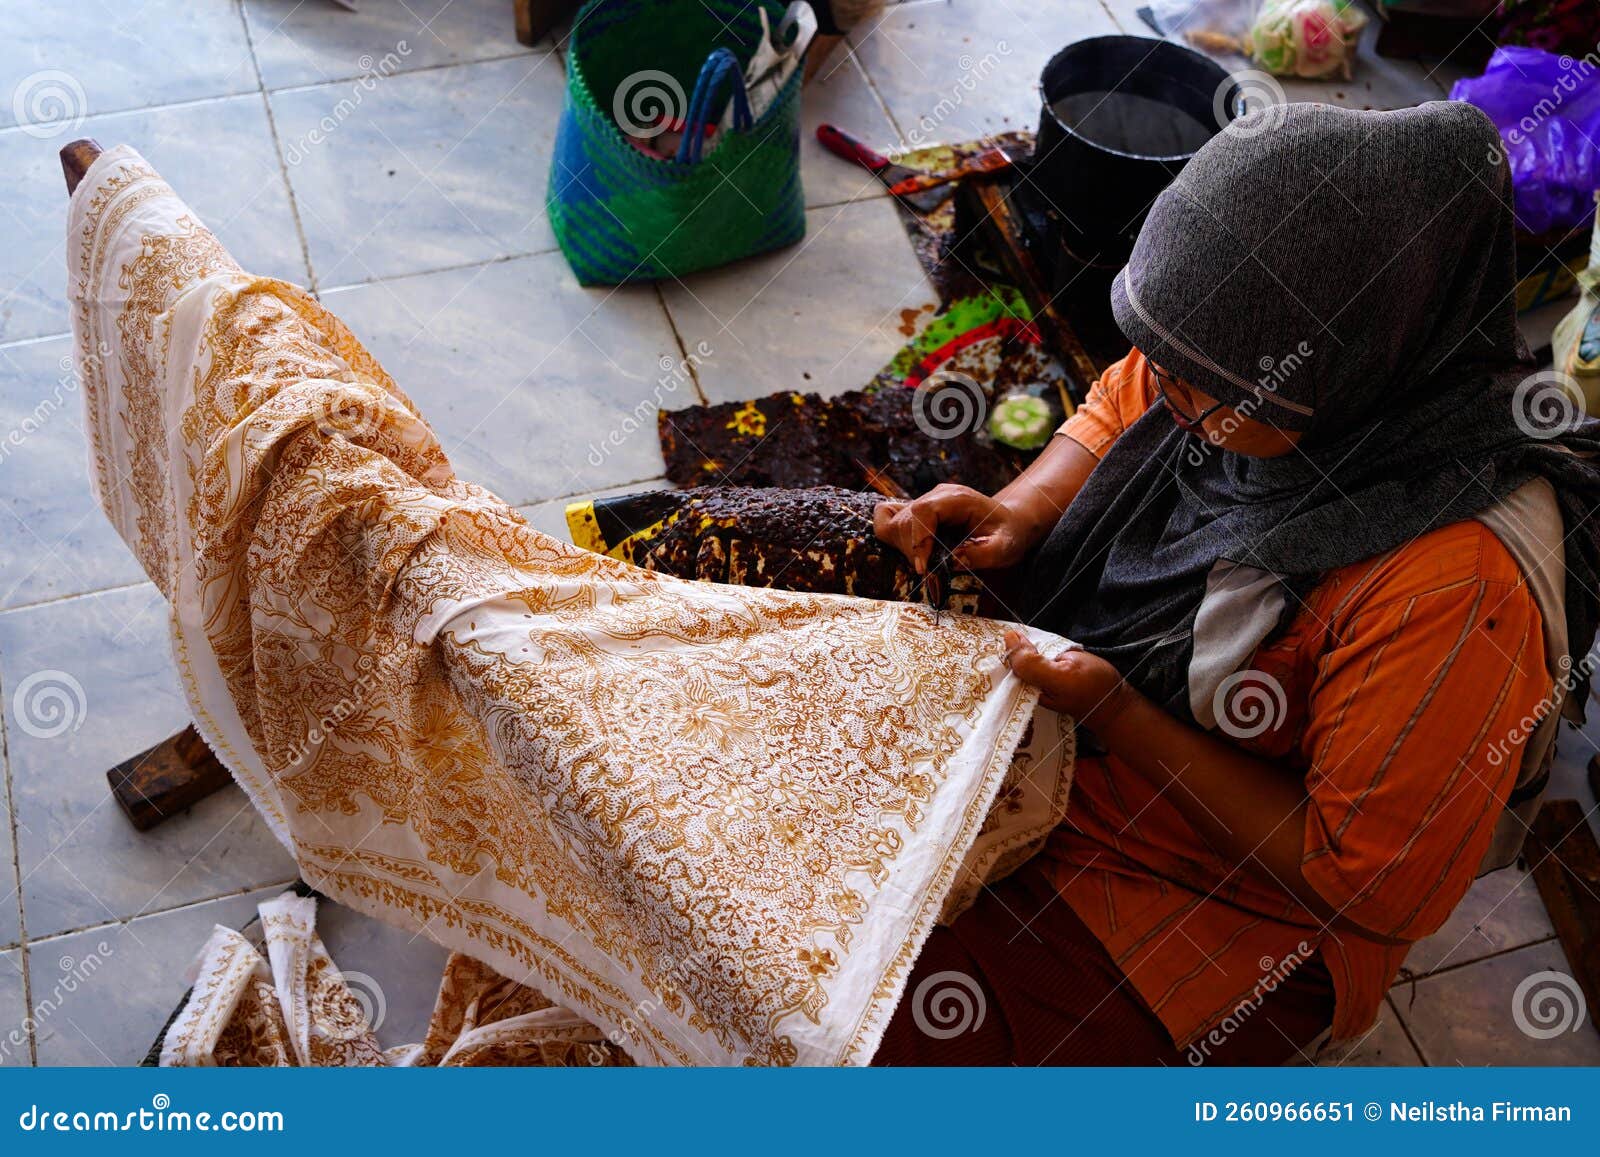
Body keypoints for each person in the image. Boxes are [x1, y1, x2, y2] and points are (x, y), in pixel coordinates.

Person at [871, 100, 1600, 1065]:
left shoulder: (1452, 592)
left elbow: (1368, 884)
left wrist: (1120, 714)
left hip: (1240, 890)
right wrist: (1027, 507)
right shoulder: (1242, 379)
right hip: (1106, 709)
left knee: (903, 1023)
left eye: (1204, 380)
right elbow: (1126, 391)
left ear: (1348, 365)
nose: (1169, 386)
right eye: (1166, 351)